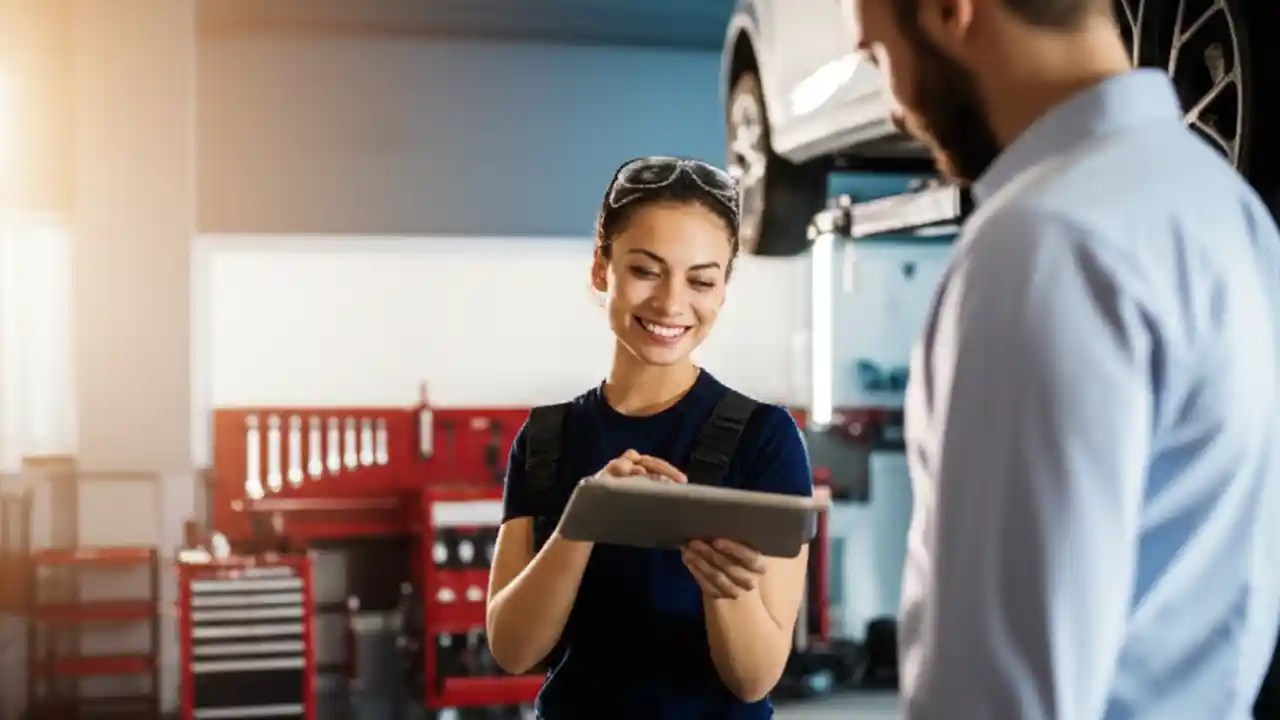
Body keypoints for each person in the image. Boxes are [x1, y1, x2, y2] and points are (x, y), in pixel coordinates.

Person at [851, 0, 1280, 718]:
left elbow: (1000, 701)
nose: (893, 111)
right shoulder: (1224, 206)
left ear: (953, 11)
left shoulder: (1044, 243)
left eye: (877, 57)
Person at [484, 156, 814, 719]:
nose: (671, 303)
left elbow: (754, 678)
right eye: (646, 270)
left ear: (723, 290)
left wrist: (720, 583)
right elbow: (513, 650)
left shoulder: (765, 438)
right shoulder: (547, 438)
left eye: (702, 280)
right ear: (600, 269)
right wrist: (584, 520)